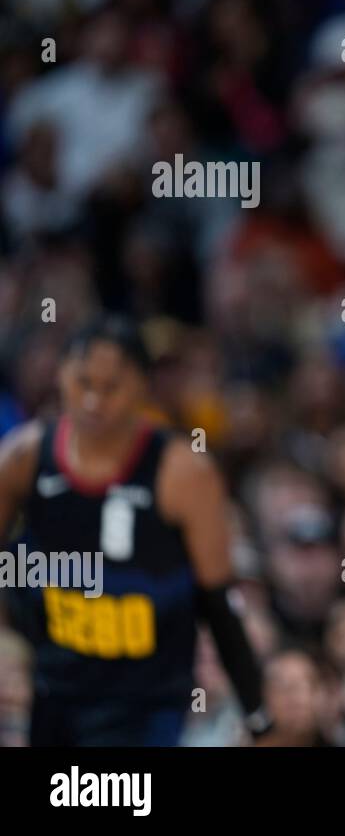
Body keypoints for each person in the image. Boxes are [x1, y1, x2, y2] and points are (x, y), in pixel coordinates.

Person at [0, 315, 268, 745]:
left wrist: (257, 714)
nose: (93, 401)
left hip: (148, 702)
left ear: (142, 387)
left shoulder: (183, 472)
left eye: (111, 388)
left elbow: (219, 605)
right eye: (82, 383)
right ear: (60, 375)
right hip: (57, 691)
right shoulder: (24, 457)